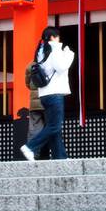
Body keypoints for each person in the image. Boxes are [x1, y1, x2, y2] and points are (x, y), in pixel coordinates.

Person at [20, 26, 74, 162]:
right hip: (55, 93)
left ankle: (60, 158)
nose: (59, 39)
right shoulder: (54, 50)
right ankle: (29, 147)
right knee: (54, 126)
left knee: (53, 127)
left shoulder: (40, 52)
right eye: (58, 37)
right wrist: (69, 54)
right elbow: (61, 68)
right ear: (52, 37)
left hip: (44, 94)